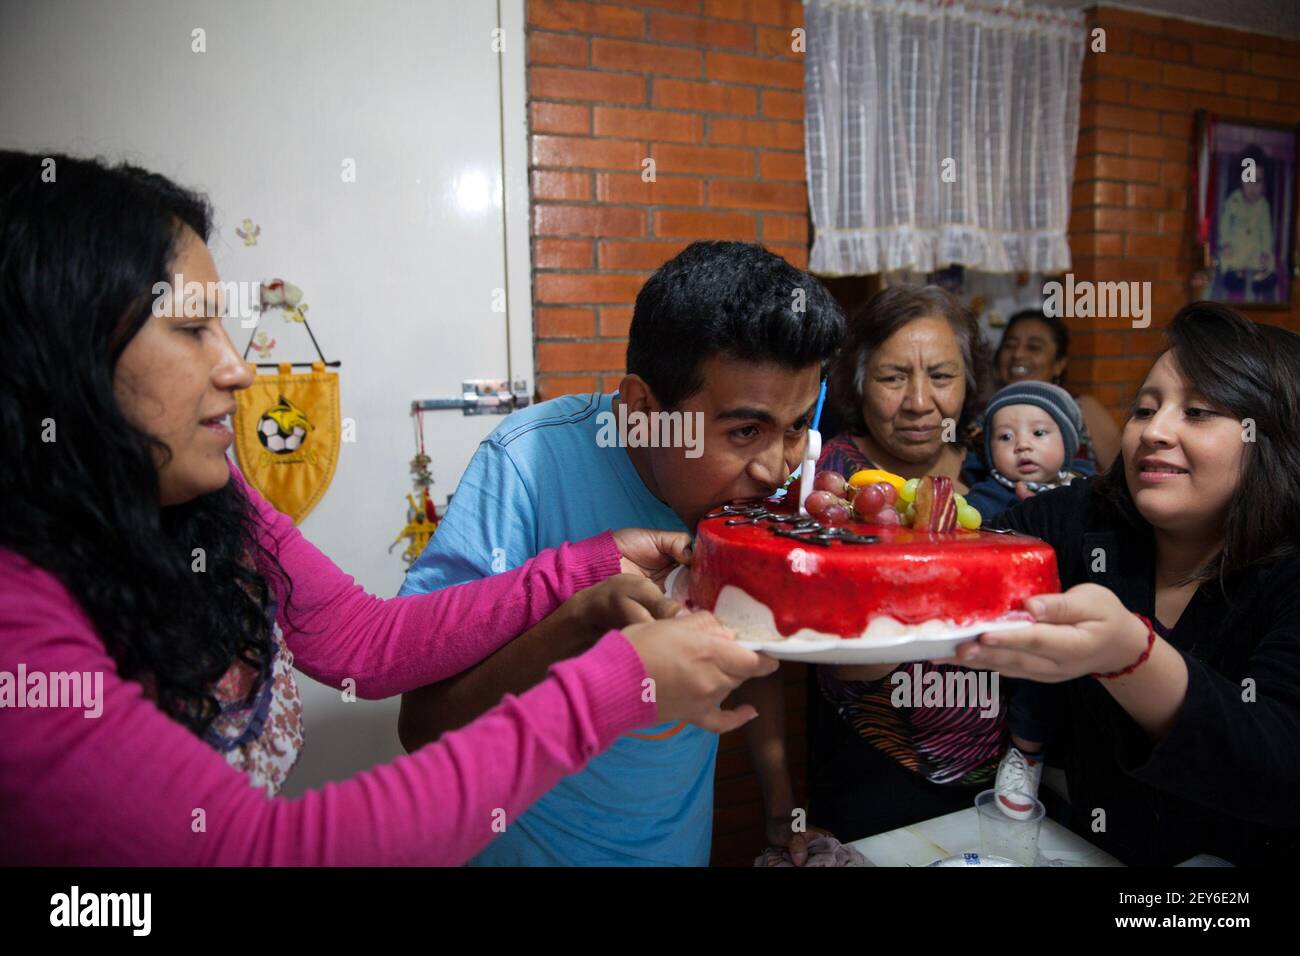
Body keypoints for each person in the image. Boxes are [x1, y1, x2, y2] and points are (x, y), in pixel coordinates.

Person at [0, 151, 776, 865]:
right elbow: (259, 851)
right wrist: (614, 685)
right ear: (58, 353)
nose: (236, 368)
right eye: (192, 327)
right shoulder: (16, 618)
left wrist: (593, 564)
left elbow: (361, 641)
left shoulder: (210, 497)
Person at [397, 241, 846, 865]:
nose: (776, 468)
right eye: (745, 431)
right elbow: (422, 725)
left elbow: (751, 651)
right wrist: (580, 618)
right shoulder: (527, 465)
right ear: (642, 413)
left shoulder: (765, 493)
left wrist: (779, 813)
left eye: (797, 426)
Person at [945, 302, 1300, 865]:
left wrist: (1131, 657)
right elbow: (969, 555)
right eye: (1144, 409)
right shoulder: (1090, 516)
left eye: (1200, 412)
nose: (1153, 432)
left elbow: (1280, 763)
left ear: (1274, 438)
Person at [772, 284, 1009, 845]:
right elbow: (773, 656)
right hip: (872, 765)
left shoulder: (1001, 460)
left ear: (970, 382)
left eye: (942, 377)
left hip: (1010, 770)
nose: (919, 401)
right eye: (893, 376)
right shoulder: (826, 481)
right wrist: (782, 809)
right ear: (857, 379)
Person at [993, 309, 1121, 470]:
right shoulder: (983, 418)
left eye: (1033, 347)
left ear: (1059, 364)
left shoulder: (1082, 409)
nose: (1017, 354)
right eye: (1010, 345)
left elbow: (1121, 477)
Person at [964, 381, 1091, 521]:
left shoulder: (1088, 483)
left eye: (1038, 433)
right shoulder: (991, 494)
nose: (1022, 445)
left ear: (1068, 444)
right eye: (1006, 436)